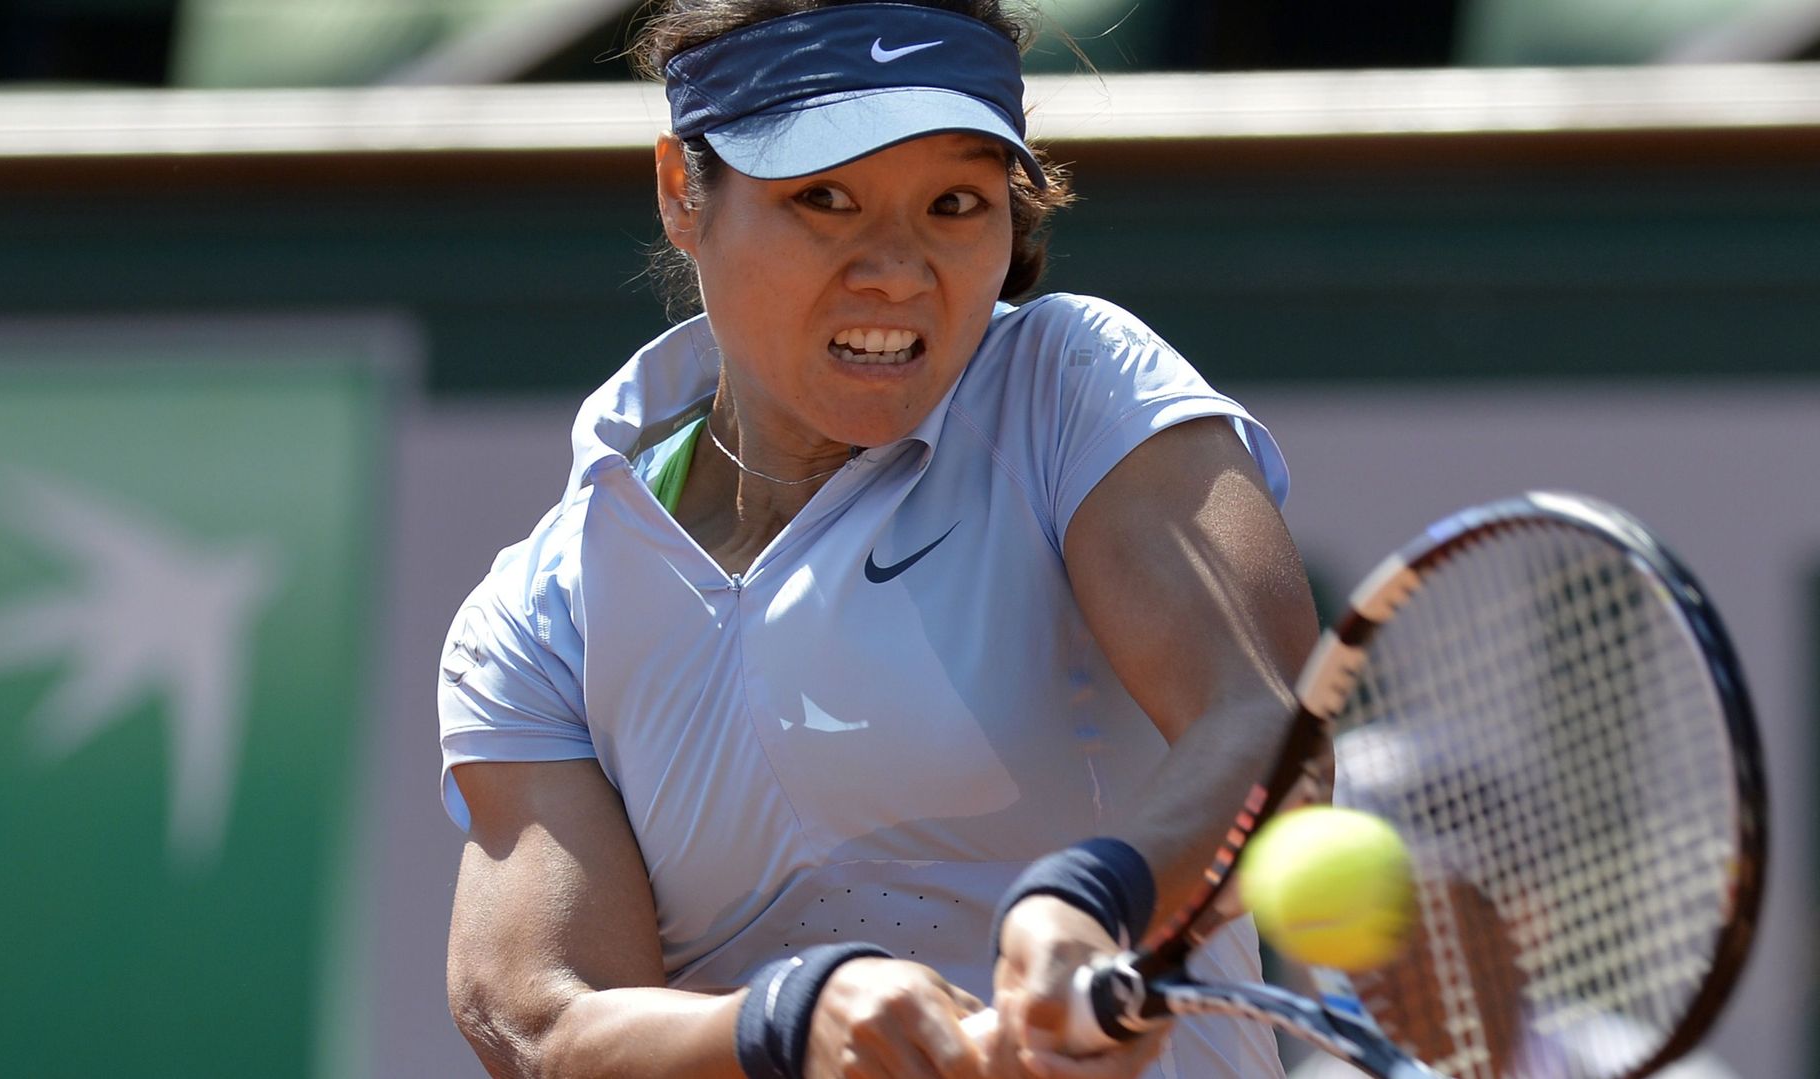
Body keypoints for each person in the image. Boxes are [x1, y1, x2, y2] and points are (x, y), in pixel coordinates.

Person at [436, 1, 1319, 1076]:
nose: (897, 268)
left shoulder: (1072, 389)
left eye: (955, 202)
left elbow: (1269, 733)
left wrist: (1088, 895)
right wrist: (791, 1018)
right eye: (825, 197)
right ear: (682, 190)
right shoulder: (546, 609)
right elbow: (541, 1019)